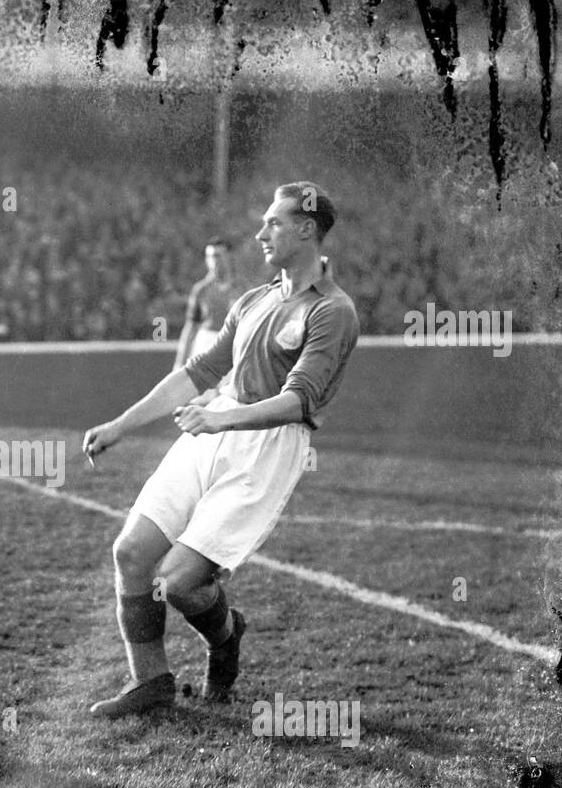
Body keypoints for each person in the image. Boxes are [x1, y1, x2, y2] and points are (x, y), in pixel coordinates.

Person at [81, 182, 359, 718]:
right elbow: (198, 372)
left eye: (273, 223)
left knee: (178, 582)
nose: (261, 234)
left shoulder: (333, 311)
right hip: (216, 425)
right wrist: (122, 424)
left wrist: (219, 418)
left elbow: (297, 403)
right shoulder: (253, 300)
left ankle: (226, 636)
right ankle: (152, 682)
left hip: (265, 448)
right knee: (132, 553)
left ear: (306, 229)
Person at [171, 236, 240, 404]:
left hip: (231, 344)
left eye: (218, 255)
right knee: (202, 399)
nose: (213, 261)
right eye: (209, 256)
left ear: (229, 257)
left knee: (228, 400)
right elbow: (191, 326)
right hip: (206, 343)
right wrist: (180, 362)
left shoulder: (242, 287)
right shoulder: (200, 290)